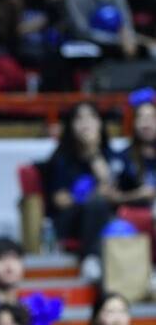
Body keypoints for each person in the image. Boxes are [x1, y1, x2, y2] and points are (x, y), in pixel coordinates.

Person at [45, 101, 123, 280]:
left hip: (107, 216)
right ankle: (90, 258)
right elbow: (60, 200)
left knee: (105, 210)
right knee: (97, 204)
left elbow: (111, 187)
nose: (86, 123)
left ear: (100, 123)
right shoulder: (61, 159)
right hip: (70, 219)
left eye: (91, 118)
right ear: (71, 126)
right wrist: (92, 196)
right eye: (79, 119)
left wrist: (93, 153)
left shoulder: (111, 155)